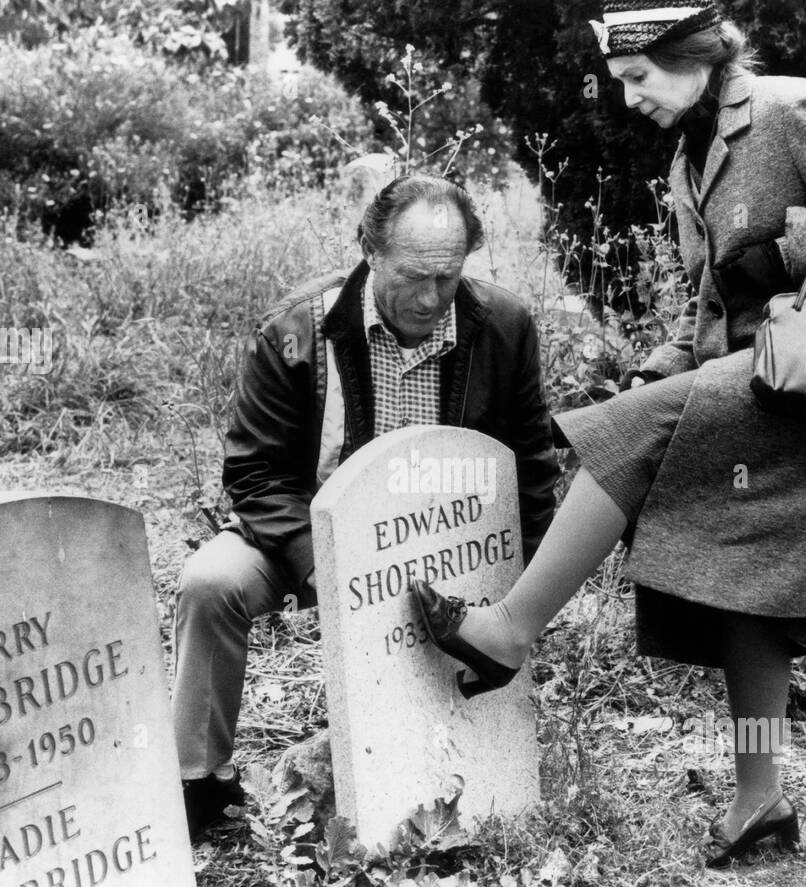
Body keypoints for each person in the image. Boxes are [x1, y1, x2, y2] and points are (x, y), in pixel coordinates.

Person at [414, 0, 806, 868]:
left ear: (695, 55)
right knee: (747, 597)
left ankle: (510, 626)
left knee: (633, 434)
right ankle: (760, 800)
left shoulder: (785, 109)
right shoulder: (693, 154)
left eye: (639, 77)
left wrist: (793, 254)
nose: (629, 99)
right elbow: (714, 307)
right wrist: (669, 362)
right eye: (620, 82)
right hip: (766, 379)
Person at [175, 174, 559, 838]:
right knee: (210, 585)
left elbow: (528, 467)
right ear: (370, 251)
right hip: (314, 533)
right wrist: (321, 567)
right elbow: (257, 472)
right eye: (413, 275)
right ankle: (198, 783)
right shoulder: (298, 329)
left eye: (448, 275)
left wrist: (522, 592)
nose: (431, 296)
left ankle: (457, 758)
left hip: (447, 538)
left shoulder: (502, 327)